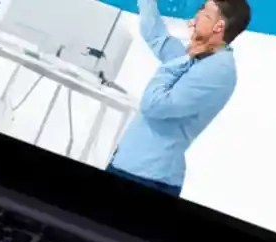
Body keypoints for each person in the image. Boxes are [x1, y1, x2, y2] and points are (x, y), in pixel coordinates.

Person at [107, 0, 251, 197]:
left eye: (204, 13)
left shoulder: (218, 70)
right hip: (130, 168)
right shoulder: (202, 56)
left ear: (219, 27)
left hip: (147, 178)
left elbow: (155, 105)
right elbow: (157, 37)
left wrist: (183, 58)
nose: (196, 16)